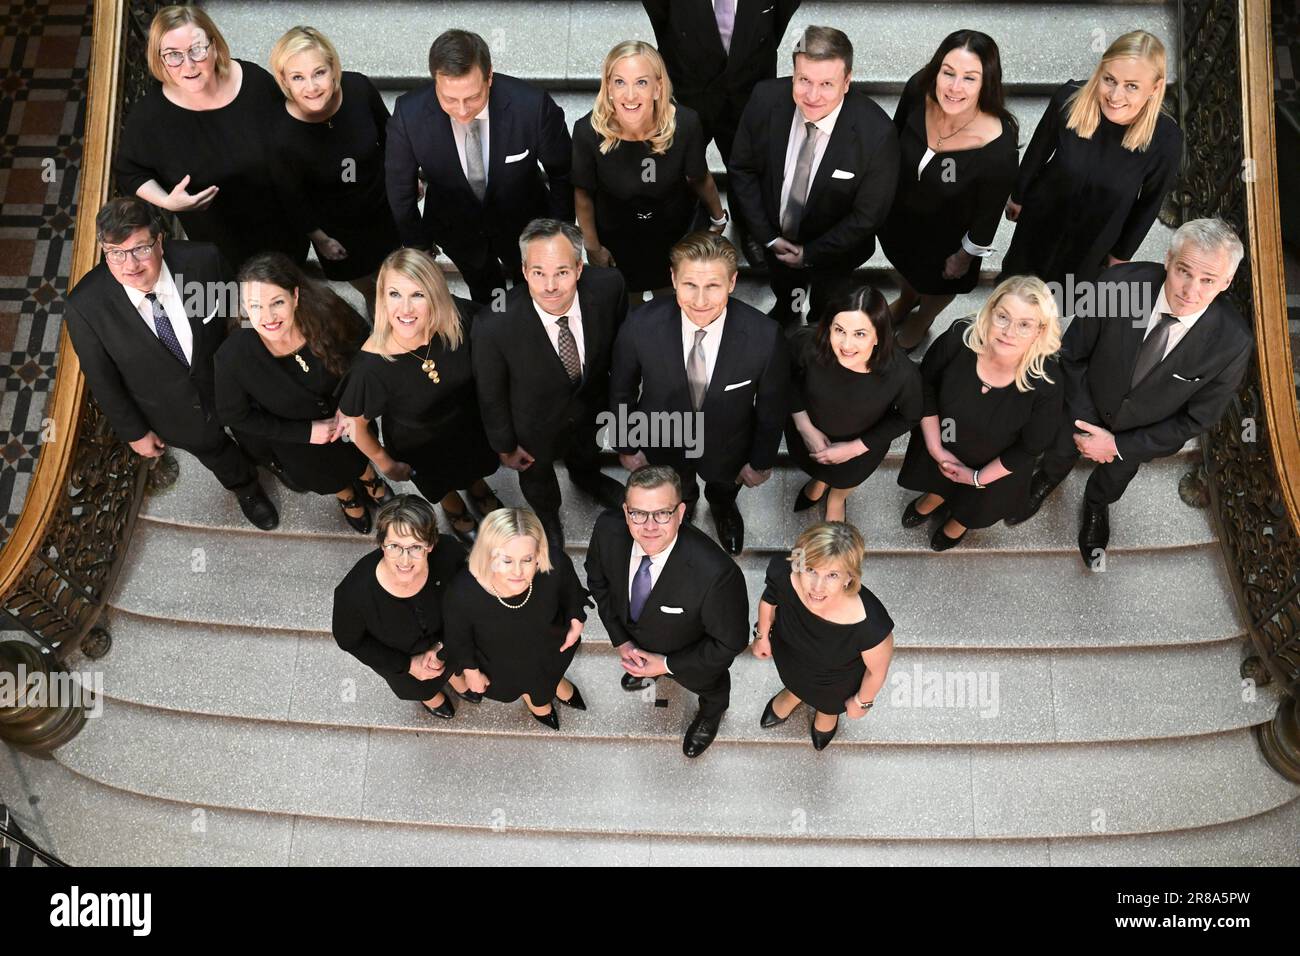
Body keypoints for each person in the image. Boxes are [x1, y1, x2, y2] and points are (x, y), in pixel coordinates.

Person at [1006, 219, 1253, 567]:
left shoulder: (1233, 343)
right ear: (1168, 259)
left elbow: (1195, 420)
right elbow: (1072, 356)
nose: (1190, 290)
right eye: (1184, 271)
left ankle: (1096, 505)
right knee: (1058, 451)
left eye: (1208, 280)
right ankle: (1046, 480)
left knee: (1114, 478)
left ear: (1227, 282)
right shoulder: (1116, 285)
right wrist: (1083, 422)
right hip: (1081, 407)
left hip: (1140, 437)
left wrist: (1117, 446)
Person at [65, 197, 278, 530]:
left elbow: (237, 318)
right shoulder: (86, 307)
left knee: (256, 431)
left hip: (233, 388)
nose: (130, 265)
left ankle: (272, 459)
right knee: (216, 454)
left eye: (140, 249)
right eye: (115, 253)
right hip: (172, 412)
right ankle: (246, 489)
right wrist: (135, 433)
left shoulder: (202, 261)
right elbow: (102, 379)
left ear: (159, 240)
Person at [609, 232, 790, 554]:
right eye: (690, 285)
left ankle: (723, 508)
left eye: (713, 286)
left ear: (732, 282)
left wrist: (760, 461)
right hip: (661, 437)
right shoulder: (639, 326)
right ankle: (685, 506)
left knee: (723, 487)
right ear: (673, 278)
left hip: (729, 443)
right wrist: (625, 444)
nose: (701, 300)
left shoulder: (765, 336)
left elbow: (771, 406)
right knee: (678, 487)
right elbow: (621, 390)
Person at [729, 25, 900, 328]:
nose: (812, 95)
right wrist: (767, 236)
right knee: (783, 288)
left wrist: (810, 253)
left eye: (826, 84)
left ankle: (819, 325)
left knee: (828, 301)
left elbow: (868, 215)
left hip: (836, 253)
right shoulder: (764, 99)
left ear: (847, 82)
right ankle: (787, 309)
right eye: (803, 80)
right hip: (774, 236)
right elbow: (743, 169)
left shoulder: (877, 134)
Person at [386, 29, 574, 304]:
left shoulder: (531, 106)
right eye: (449, 99)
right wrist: (419, 245)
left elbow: (563, 173)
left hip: (526, 225)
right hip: (458, 228)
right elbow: (399, 189)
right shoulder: (408, 114)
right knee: (485, 298)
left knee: (534, 296)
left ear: (490, 77)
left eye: (472, 97)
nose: (462, 110)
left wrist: (559, 236)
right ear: (435, 81)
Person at [114, 4, 306, 270]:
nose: (188, 64)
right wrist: (167, 201)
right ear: (160, 59)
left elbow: (292, 136)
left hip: (281, 224)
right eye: (173, 55)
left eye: (197, 49)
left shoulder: (255, 83)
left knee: (293, 280)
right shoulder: (151, 117)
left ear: (214, 46)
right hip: (222, 238)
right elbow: (129, 171)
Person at [473, 219, 627, 549]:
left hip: (591, 409)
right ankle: (547, 514)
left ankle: (586, 476)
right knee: (538, 478)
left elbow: (620, 351)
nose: (550, 286)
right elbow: (490, 394)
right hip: (532, 427)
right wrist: (505, 445)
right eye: (539, 272)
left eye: (561, 272)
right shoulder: (493, 326)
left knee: (588, 450)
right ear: (525, 271)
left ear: (579, 268)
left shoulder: (610, 286)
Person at [216, 253, 393, 535]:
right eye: (255, 306)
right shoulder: (233, 356)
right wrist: (304, 432)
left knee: (359, 456)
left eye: (277, 302)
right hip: (300, 446)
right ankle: (345, 494)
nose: (268, 317)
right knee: (328, 476)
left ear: (295, 296)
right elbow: (234, 415)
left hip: (351, 421)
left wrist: (353, 404)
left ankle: (370, 478)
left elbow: (364, 354)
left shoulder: (328, 314)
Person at [337, 248, 501, 545]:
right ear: (381, 297)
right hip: (421, 445)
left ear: (435, 295)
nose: (406, 309)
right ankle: (456, 511)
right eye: (395, 294)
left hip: (469, 426)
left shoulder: (458, 317)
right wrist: (384, 463)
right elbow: (354, 425)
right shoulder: (371, 367)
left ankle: (478, 489)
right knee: (442, 484)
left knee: (475, 466)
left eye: (418, 295)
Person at [585, 466, 749, 758]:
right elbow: (598, 582)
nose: (649, 526)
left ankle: (712, 714)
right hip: (634, 636)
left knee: (712, 690)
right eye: (638, 513)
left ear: (681, 512)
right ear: (625, 512)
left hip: (688, 656)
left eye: (662, 513)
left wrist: (666, 665)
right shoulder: (607, 529)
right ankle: (645, 670)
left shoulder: (717, 575)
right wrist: (622, 640)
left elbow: (730, 643)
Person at [1000, 30, 1182, 288]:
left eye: (1132, 86)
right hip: (1040, 221)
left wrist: (1121, 254)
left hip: (1094, 242)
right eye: (1109, 79)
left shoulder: (1166, 138)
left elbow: (1149, 204)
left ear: (1154, 88)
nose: (1115, 96)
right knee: (1013, 287)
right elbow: (1039, 150)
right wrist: (1018, 194)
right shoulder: (1069, 98)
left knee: (1062, 300)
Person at [896, 275, 1063, 550]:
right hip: (942, 442)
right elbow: (924, 387)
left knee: (974, 504)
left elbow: (1030, 447)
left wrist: (976, 478)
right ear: (991, 310)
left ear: (1040, 330)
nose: (1009, 332)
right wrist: (936, 448)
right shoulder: (959, 338)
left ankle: (959, 521)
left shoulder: (1047, 381)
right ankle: (934, 498)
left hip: (995, 468)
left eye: (1024, 325)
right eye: (1003, 317)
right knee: (938, 478)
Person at [880, 30, 1020, 351]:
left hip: (946, 238)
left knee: (937, 284)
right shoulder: (919, 89)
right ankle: (906, 300)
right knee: (905, 267)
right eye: (948, 73)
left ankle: (922, 319)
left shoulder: (998, 147)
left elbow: (988, 215)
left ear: (987, 83)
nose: (955, 88)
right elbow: (892, 137)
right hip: (900, 217)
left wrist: (964, 256)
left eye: (970, 78)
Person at [642, 0, 803, 266]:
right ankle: (687, 219)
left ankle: (749, 223)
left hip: (748, 83)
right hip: (689, 84)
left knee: (750, 163)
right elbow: (662, 20)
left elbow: (776, 20)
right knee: (678, 160)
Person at [572, 41, 727, 303]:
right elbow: (583, 194)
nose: (630, 95)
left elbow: (699, 177)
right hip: (619, 237)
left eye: (641, 82)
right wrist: (592, 246)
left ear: (658, 87)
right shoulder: (587, 132)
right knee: (626, 304)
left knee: (670, 302)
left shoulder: (686, 124)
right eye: (620, 82)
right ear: (608, 87)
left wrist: (718, 219)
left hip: (672, 234)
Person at [268, 26, 400, 316]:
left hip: (385, 209)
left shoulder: (358, 89)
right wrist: (319, 238)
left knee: (401, 279)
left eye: (319, 73)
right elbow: (290, 196)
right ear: (284, 81)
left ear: (333, 68)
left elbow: (391, 136)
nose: (312, 87)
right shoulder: (281, 134)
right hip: (338, 232)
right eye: (298, 77)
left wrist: (408, 178)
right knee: (371, 292)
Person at [752, 522, 895, 750]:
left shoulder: (870, 625)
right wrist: (762, 636)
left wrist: (862, 702)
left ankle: (827, 713)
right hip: (790, 656)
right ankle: (793, 693)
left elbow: (877, 671)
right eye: (810, 570)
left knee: (828, 707)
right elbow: (770, 598)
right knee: (793, 681)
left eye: (832, 575)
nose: (817, 587)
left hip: (833, 685)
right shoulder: (784, 571)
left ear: (849, 577)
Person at [441, 508, 588, 730]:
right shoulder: (463, 593)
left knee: (549, 673)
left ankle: (554, 685)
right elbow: (457, 638)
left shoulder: (554, 564)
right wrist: (471, 671)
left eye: (527, 559)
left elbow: (571, 592)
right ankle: (538, 704)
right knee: (529, 686)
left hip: (549, 646)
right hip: (501, 662)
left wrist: (577, 618)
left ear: (539, 553)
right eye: (506, 560)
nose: (518, 571)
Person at [787, 286, 922, 522]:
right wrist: (804, 427)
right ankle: (819, 481)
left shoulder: (901, 373)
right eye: (839, 330)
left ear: (878, 335)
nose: (846, 345)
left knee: (846, 478)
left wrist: (855, 448)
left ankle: (837, 498)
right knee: (815, 465)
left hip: (860, 447)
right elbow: (785, 377)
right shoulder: (807, 344)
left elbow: (911, 415)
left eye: (860, 334)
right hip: (808, 433)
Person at [332, 496, 474, 719]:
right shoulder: (353, 594)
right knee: (421, 687)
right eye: (395, 546)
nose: (405, 560)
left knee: (453, 667)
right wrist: (408, 665)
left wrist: (443, 645)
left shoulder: (449, 554)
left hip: (448, 644)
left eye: (416, 546)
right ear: (381, 543)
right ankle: (430, 698)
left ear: (430, 544)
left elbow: (464, 602)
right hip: (402, 664)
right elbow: (349, 640)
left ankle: (457, 680)